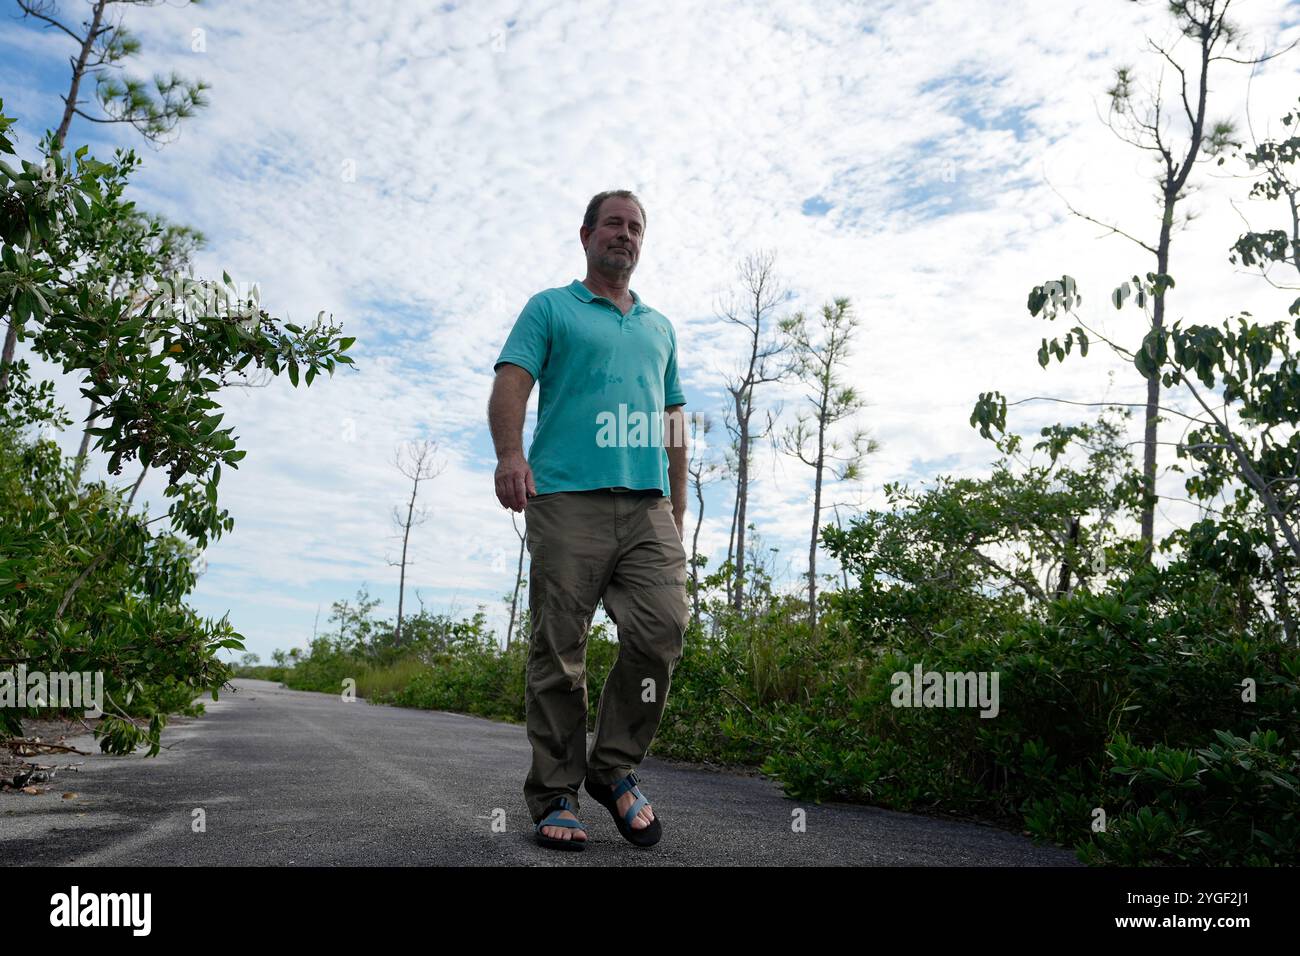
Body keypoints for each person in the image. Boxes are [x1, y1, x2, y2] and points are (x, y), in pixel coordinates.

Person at [487, 189, 689, 850]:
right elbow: (512, 379)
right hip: (567, 498)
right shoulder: (552, 308)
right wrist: (511, 454)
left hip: (646, 505)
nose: (624, 235)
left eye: (635, 227)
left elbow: (674, 422)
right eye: (613, 224)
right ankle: (554, 794)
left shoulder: (659, 327)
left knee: (663, 631)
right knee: (560, 648)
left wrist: (677, 507)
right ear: (586, 234)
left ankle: (612, 769)